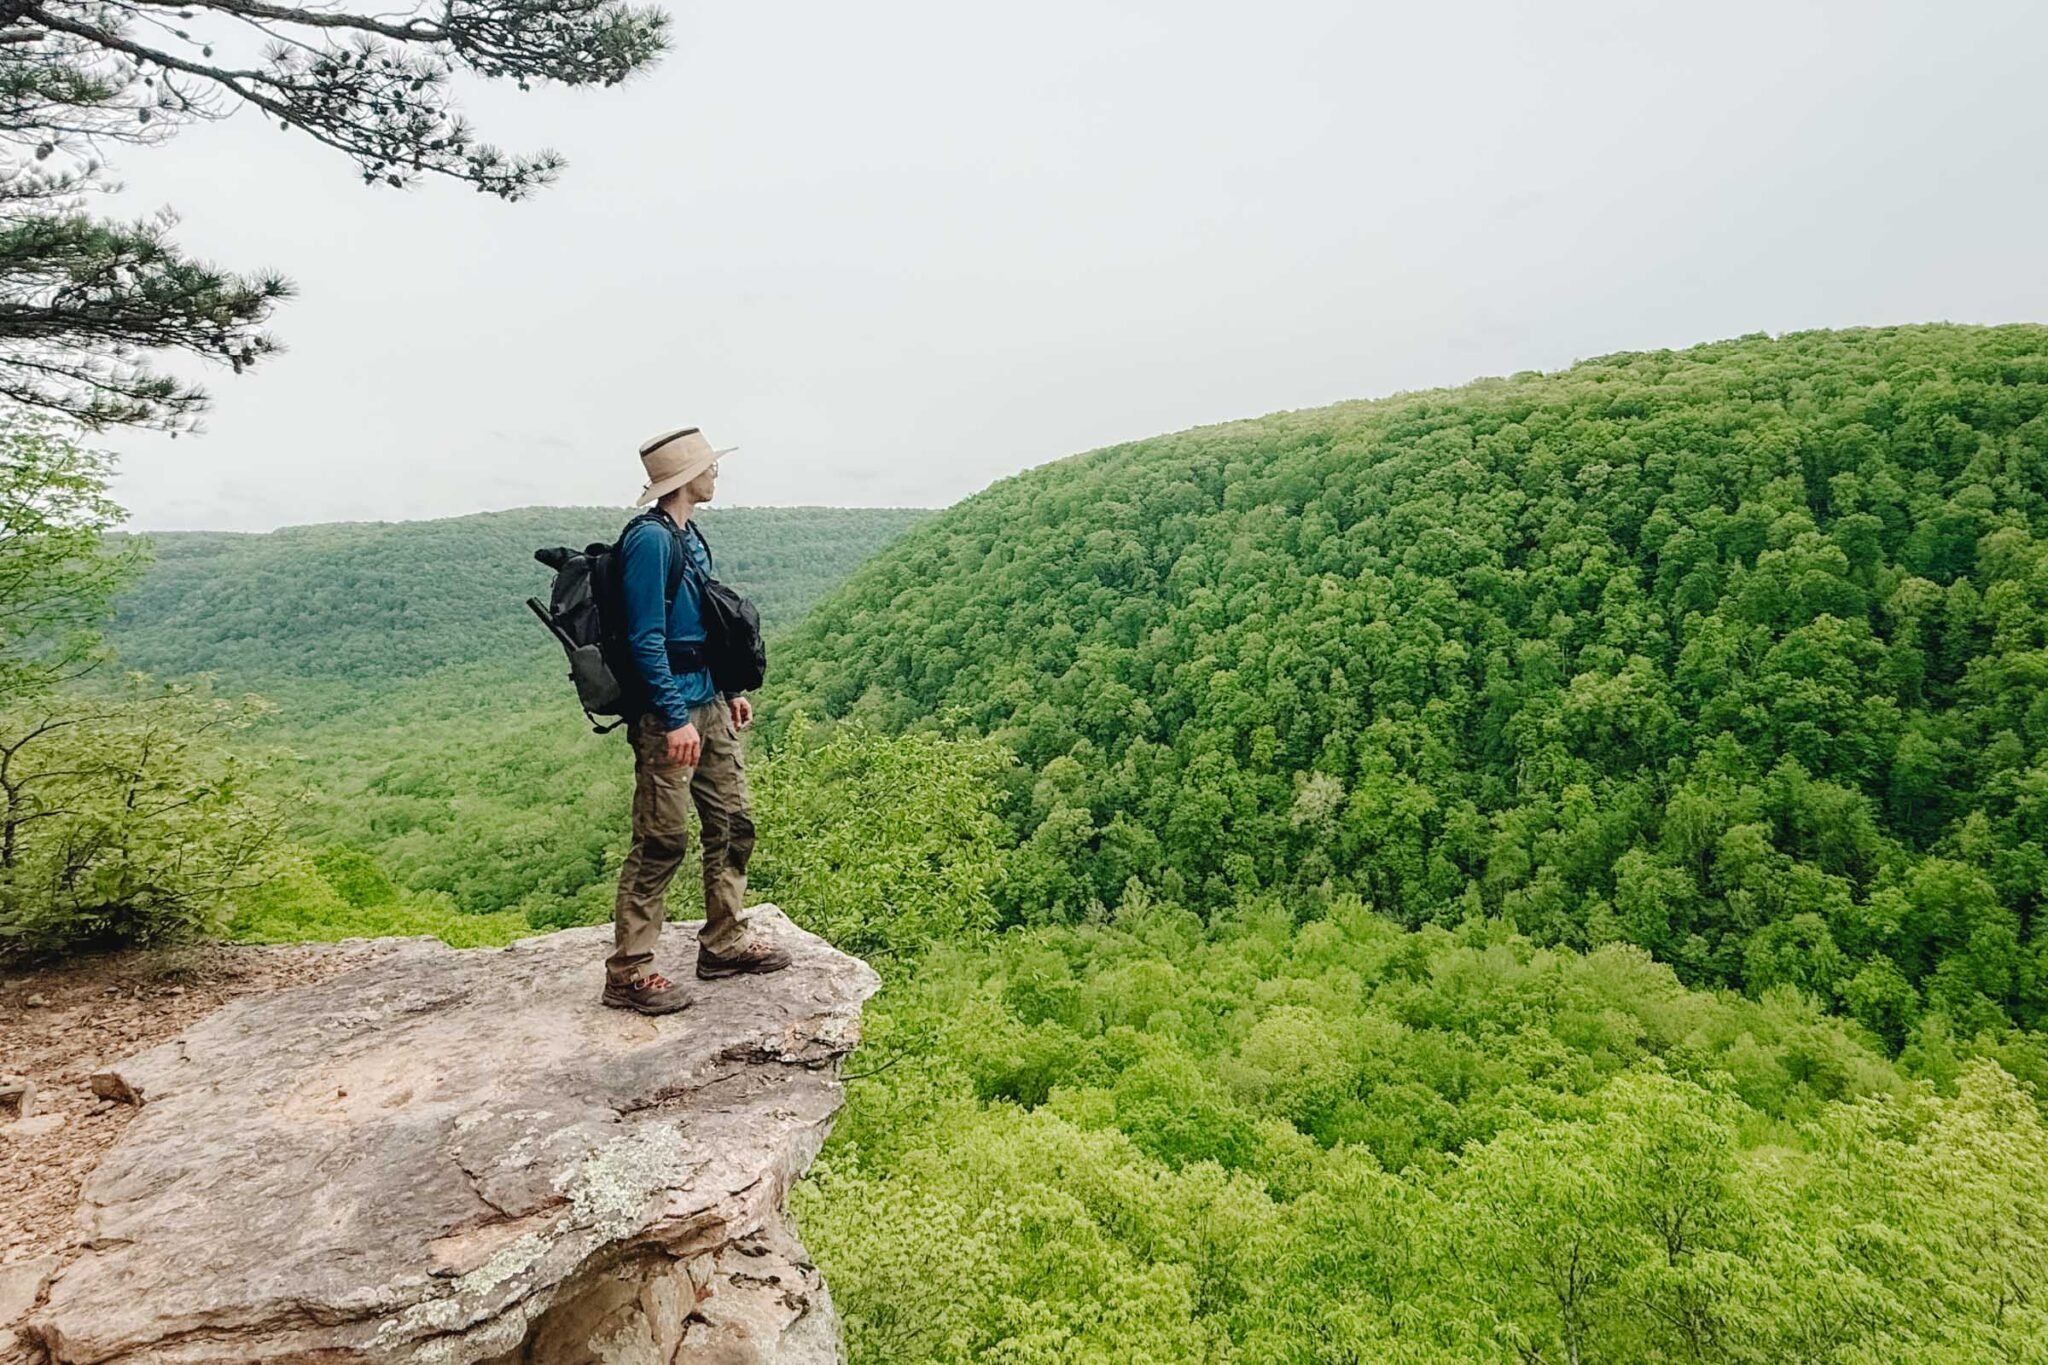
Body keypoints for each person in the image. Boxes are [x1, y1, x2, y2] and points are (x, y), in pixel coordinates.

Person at [603, 426, 791, 1014]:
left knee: (734, 821)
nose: (716, 475)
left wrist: (728, 688)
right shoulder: (650, 542)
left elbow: (703, 622)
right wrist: (673, 715)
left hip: (708, 703)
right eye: (709, 467)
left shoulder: (692, 535)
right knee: (662, 839)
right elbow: (645, 639)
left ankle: (724, 942)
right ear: (685, 478)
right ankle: (629, 973)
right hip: (672, 718)